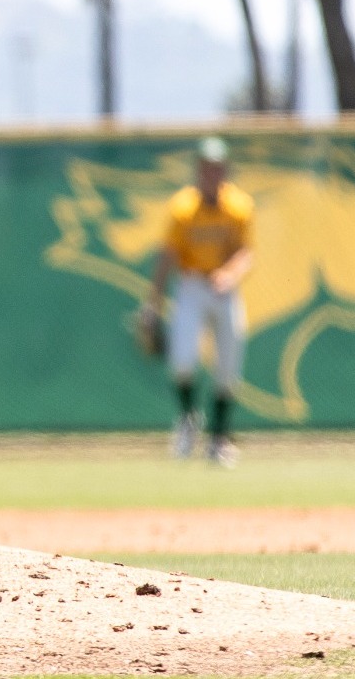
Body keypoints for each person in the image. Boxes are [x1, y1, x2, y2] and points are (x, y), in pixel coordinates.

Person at [145, 136, 254, 467]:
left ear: (225, 170)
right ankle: (189, 419)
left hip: (224, 288)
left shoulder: (239, 207)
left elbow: (245, 252)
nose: (212, 173)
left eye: (217, 167)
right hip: (191, 285)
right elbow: (168, 256)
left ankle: (219, 439)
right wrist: (154, 300)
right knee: (183, 359)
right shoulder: (183, 208)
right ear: (198, 171)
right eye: (207, 167)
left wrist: (230, 274)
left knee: (229, 361)